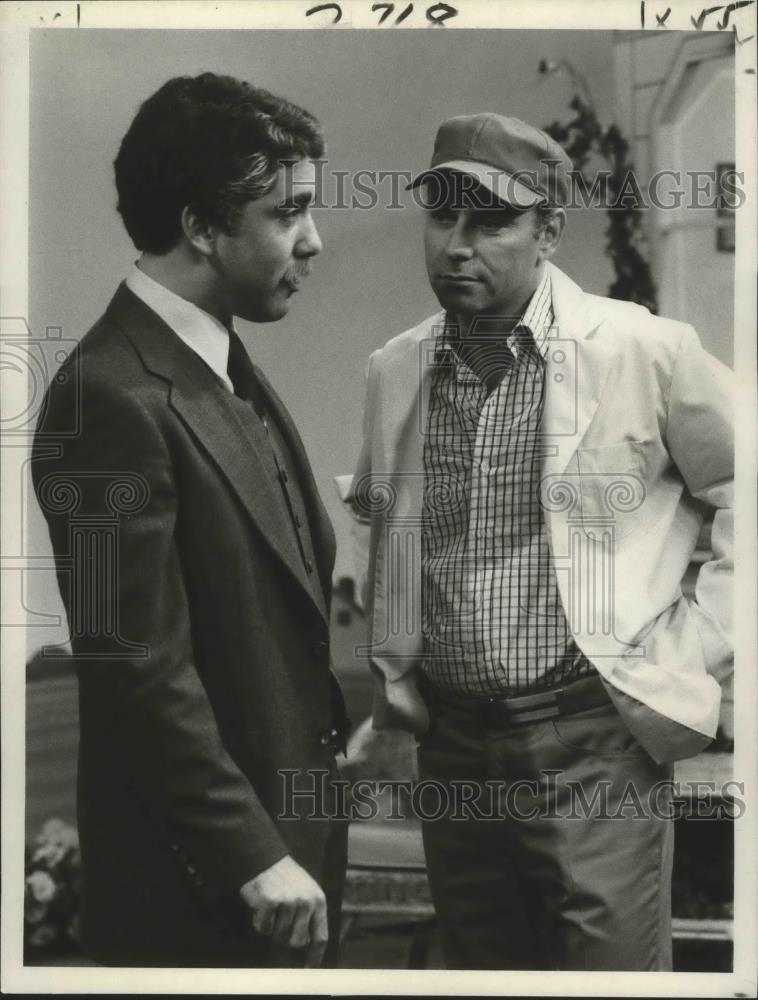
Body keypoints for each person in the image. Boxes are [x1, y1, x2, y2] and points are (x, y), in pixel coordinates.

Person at [346, 113, 733, 970]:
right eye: (441, 216)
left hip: (591, 741)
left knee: (612, 981)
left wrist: (703, 642)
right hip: (452, 745)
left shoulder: (643, 350)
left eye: (491, 221)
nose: (457, 245)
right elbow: (383, 521)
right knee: (483, 979)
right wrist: (396, 675)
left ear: (549, 231)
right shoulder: (396, 368)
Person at [32, 73, 349, 968]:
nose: (314, 240)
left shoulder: (220, 359)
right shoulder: (101, 397)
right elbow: (131, 665)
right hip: (206, 891)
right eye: (289, 212)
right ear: (202, 226)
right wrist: (251, 855)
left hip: (289, 864)